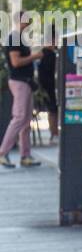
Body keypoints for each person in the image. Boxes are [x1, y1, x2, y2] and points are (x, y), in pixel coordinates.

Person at [1, 13, 43, 169]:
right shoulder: (14, 38)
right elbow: (16, 62)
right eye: (27, 21)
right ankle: (3, 152)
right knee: (19, 118)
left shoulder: (20, 39)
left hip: (25, 82)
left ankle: (25, 155)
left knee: (25, 120)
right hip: (19, 81)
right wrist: (35, 56)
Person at [37, 47, 58, 144]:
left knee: (52, 111)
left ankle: (54, 133)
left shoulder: (42, 53)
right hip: (49, 86)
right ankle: (54, 133)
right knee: (53, 111)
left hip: (45, 86)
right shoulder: (49, 54)